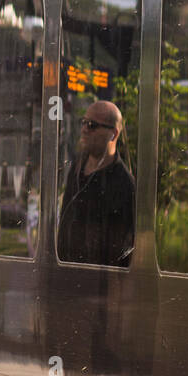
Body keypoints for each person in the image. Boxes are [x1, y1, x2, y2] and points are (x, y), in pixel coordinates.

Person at [56, 101, 135, 267]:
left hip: (98, 283)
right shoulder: (77, 168)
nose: (84, 129)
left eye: (92, 125)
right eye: (83, 122)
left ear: (113, 134)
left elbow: (122, 252)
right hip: (66, 277)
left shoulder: (123, 184)